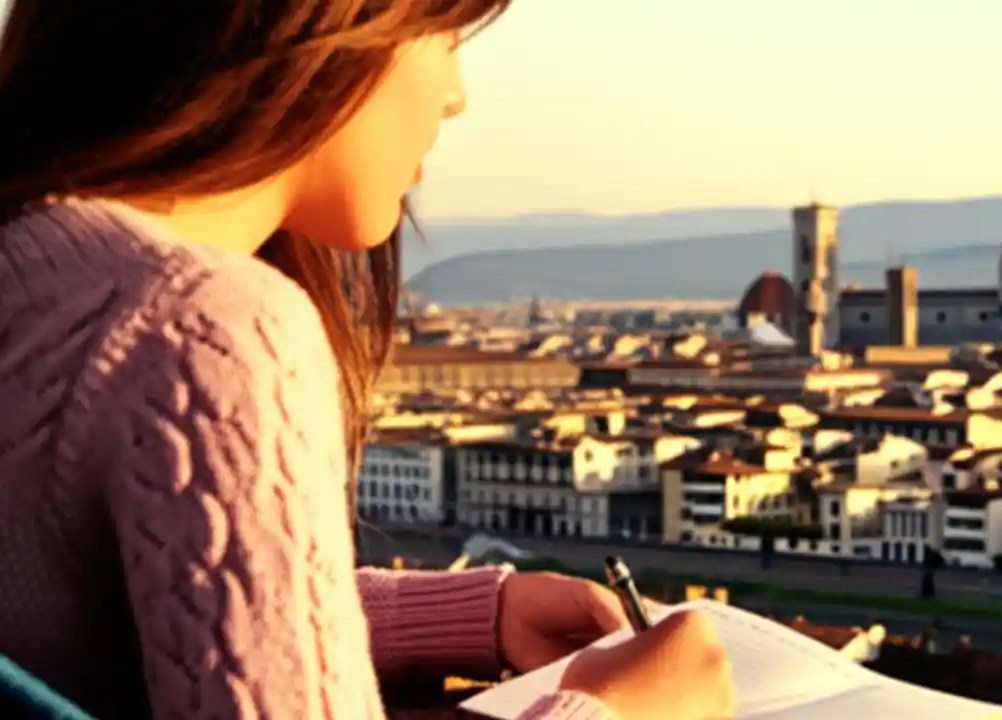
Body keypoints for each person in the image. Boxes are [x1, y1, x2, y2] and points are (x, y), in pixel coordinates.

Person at [0, 2, 733, 719]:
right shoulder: (205, 329)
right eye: (443, 34)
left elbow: (136, 610)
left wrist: (457, 615)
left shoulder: (39, 275)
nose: (457, 97)